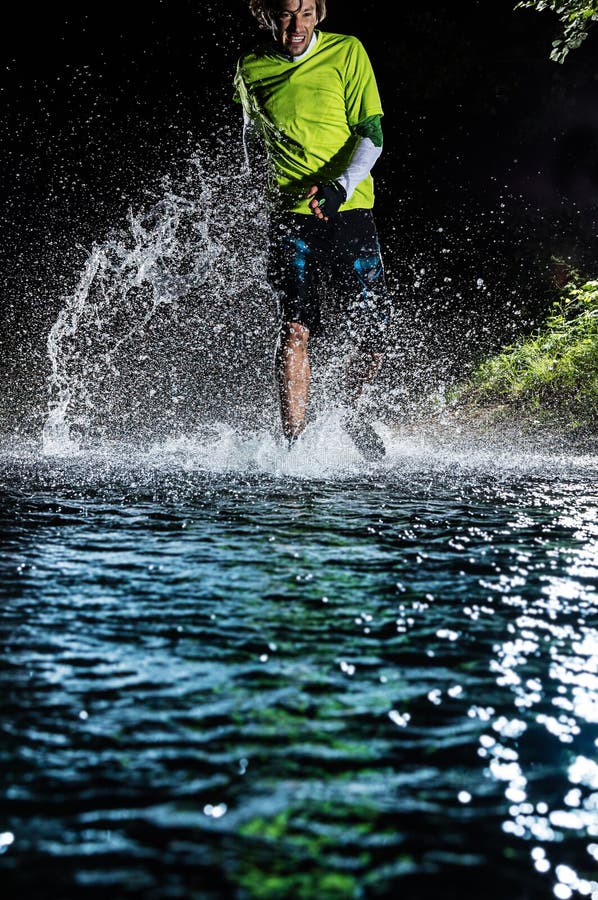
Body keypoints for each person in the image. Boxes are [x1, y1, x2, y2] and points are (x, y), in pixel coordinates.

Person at [234, 0, 392, 459]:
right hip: (291, 216)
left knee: (373, 330)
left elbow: (373, 133)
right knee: (295, 328)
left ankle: (354, 414)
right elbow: (252, 137)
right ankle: (294, 447)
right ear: (266, 15)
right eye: (286, 14)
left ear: (319, 14)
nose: (296, 26)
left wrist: (340, 187)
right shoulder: (249, 68)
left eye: (306, 13)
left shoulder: (347, 51)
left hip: (350, 206)